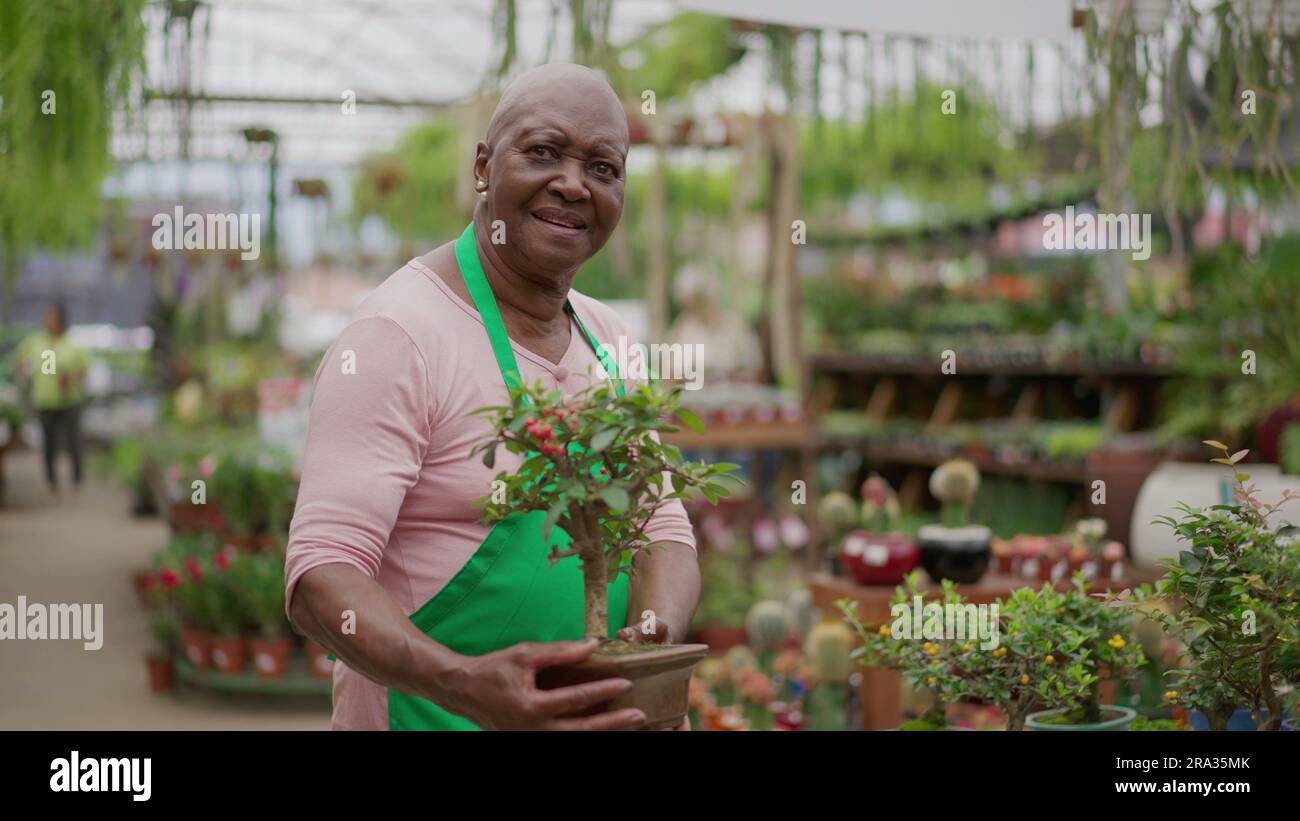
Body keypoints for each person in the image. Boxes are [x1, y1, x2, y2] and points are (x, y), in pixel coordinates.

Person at [285, 63, 701, 730]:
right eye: (543, 152)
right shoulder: (399, 335)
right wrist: (462, 683)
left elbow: (663, 528)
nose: (573, 182)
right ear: (483, 166)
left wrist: (648, 647)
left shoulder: (610, 339)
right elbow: (321, 576)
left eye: (603, 166)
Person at [13, 302, 89, 495]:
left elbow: (84, 369)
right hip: (45, 400)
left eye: (53, 318)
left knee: (73, 441)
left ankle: (77, 479)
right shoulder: (37, 341)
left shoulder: (71, 344)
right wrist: (26, 375)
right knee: (48, 443)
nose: (49, 322)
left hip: (69, 400)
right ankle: (51, 481)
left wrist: (71, 379)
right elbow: (19, 359)